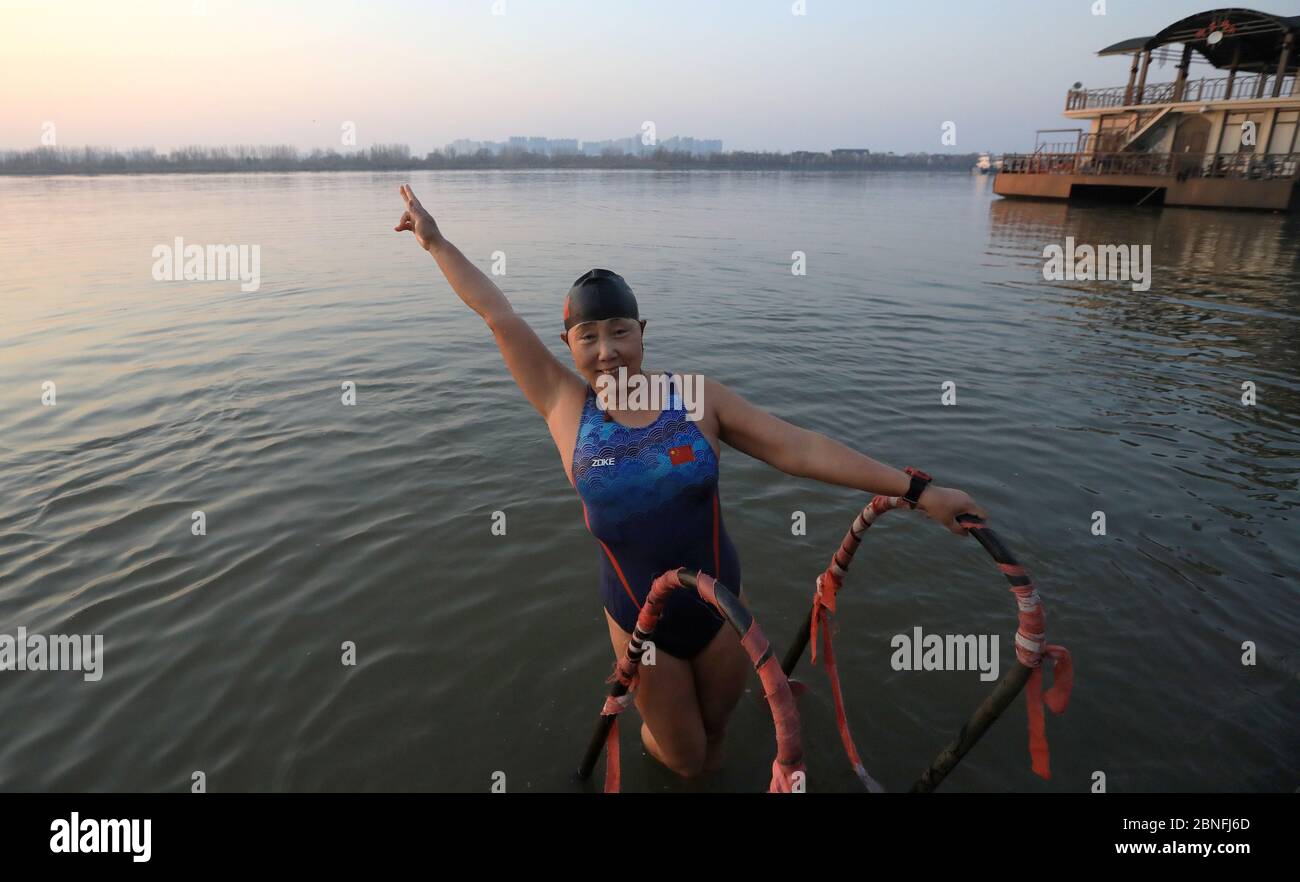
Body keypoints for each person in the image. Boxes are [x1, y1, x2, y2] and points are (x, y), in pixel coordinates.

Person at [393, 183, 987, 779]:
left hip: (722, 606)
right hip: (639, 623)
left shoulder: (696, 400)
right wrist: (436, 242)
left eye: (621, 331)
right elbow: (498, 314)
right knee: (685, 757)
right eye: (589, 336)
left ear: (643, 330)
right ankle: (657, 741)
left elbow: (799, 447)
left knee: (719, 737)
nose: (607, 351)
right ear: (567, 344)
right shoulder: (565, 409)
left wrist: (916, 491)